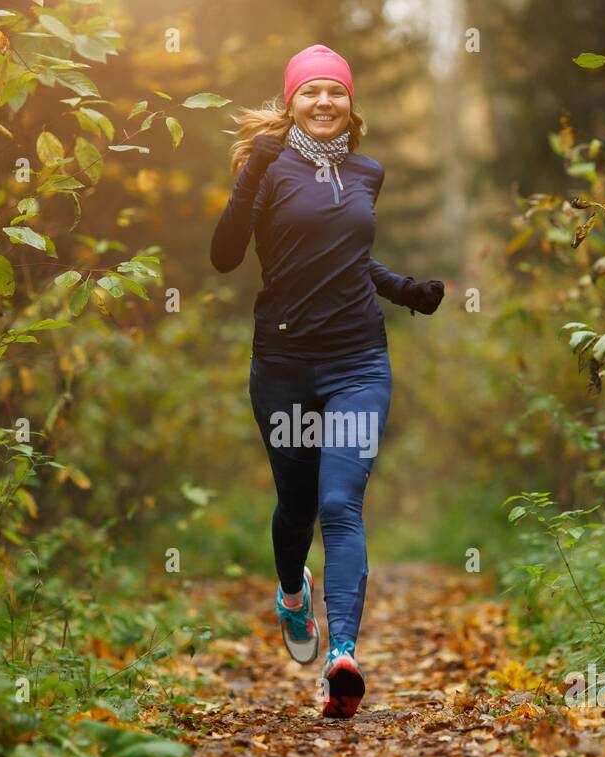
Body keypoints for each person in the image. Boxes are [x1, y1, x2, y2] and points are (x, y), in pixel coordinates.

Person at [210, 43, 445, 718]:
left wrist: (404, 290)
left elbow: (348, 259)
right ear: (291, 104)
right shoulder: (269, 167)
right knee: (297, 507)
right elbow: (225, 257)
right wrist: (250, 176)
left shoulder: (368, 171)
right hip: (284, 366)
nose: (323, 102)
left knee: (341, 504)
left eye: (335, 92)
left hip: (357, 362)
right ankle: (291, 592)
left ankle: (340, 659)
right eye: (309, 92)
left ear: (351, 105)